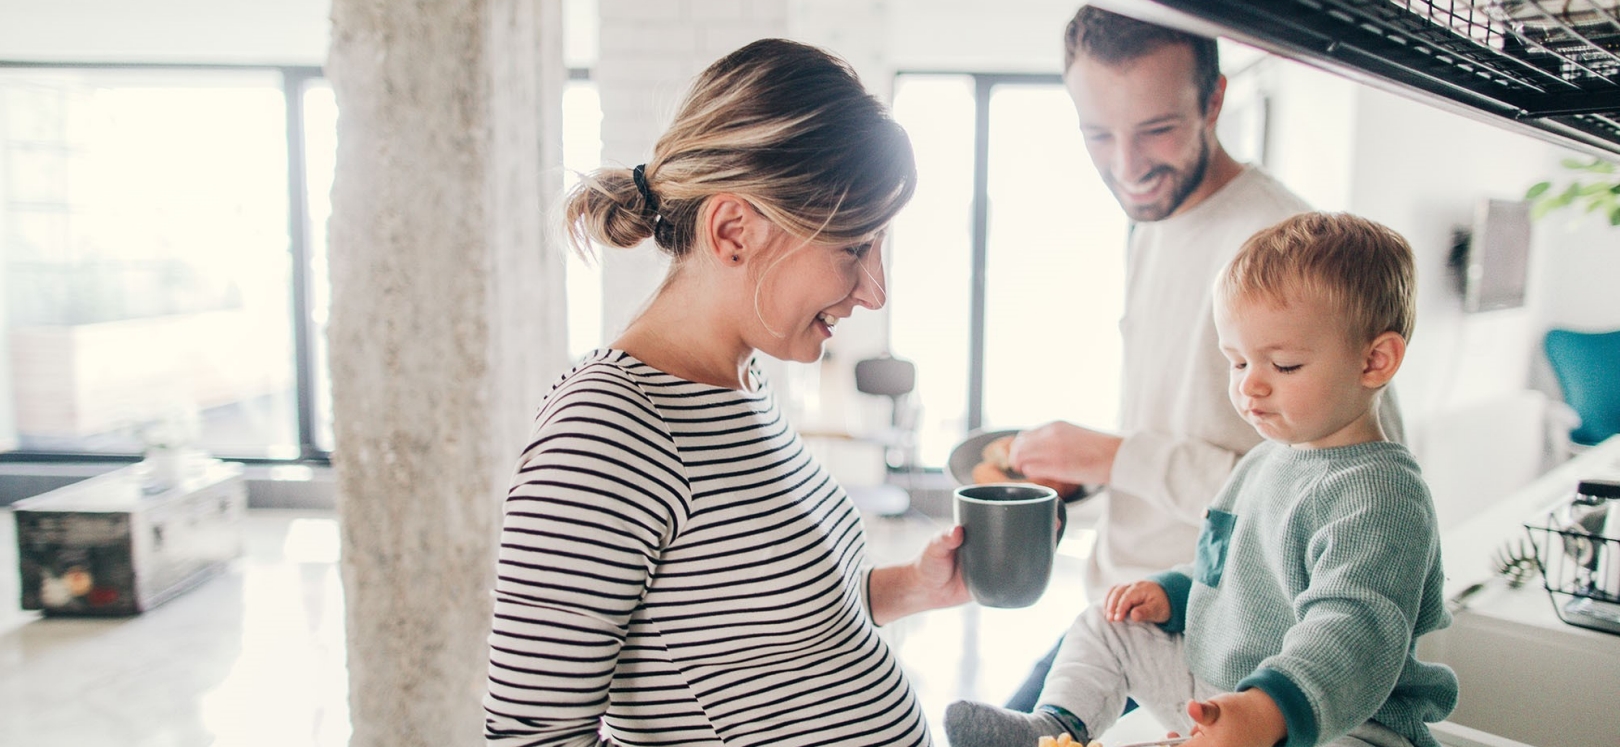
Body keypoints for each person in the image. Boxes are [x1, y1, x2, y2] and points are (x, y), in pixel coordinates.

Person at [482, 39, 969, 747]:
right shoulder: (606, 430)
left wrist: (915, 586)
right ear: (733, 231)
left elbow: (767, 637)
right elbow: (533, 737)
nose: (875, 289)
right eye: (855, 248)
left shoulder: (743, 384)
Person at [1001, 6, 1403, 710]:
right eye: (1098, 134)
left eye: (1156, 129)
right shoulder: (1157, 218)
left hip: (1216, 642)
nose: (1127, 168)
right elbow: (1187, 422)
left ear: (1215, 100)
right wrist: (1086, 478)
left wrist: (1115, 456)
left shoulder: (1282, 251)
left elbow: (1343, 484)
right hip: (1125, 606)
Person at [947, 211, 1458, 747]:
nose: (1250, 388)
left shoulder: (1381, 496)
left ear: (1375, 361)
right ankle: (1054, 728)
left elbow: (1354, 633)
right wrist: (1174, 593)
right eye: (1237, 364)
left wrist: (1265, 713)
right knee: (1108, 624)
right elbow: (1227, 571)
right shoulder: (1265, 462)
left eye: (1282, 366)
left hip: (1342, 723)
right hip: (1223, 692)